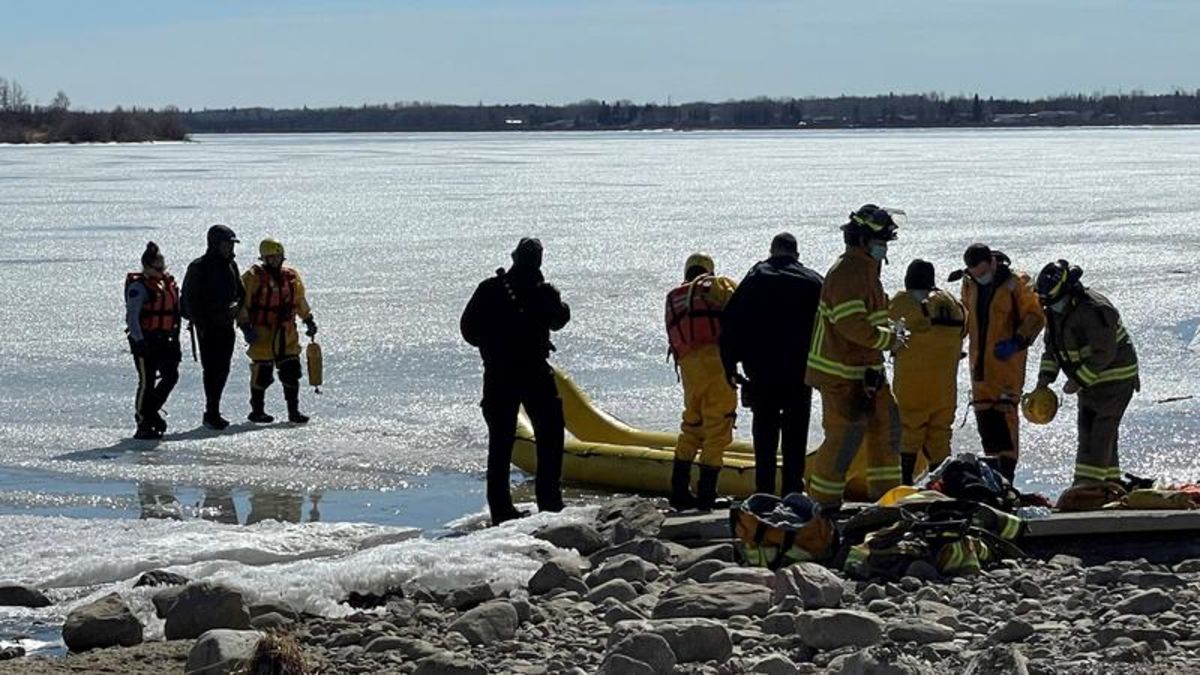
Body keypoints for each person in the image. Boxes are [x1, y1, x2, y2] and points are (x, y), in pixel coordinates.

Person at [461, 238, 570, 525]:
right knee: (550, 436)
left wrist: (492, 346)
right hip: (534, 372)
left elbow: (468, 329)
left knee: (500, 444)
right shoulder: (543, 292)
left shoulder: (490, 288)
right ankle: (549, 500)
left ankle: (501, 509)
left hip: (499, 374)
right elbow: (560, 320)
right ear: (539, 261)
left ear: (514, 258)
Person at [806, 205, 907, 511]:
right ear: (863, 240)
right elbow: (852, 326)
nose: (884, 247)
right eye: (881, 241)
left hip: (867, 372)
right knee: (844, 438)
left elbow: (868, 319)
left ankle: (886, 501)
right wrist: (889, 339)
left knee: (887, 429)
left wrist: (889, 332)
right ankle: (822, 507)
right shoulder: (848, 273)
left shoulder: (865, 270)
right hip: (842, 375)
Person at [720, 233, 824, 496]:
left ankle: (764, 492)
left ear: (771, 252)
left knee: (764, 437)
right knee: (795, 436)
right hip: (800, 373)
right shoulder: (813, 281)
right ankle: (793, 491)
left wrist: (729, 365)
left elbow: (730, 321)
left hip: (762, 372)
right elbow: (829, 326)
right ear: (796, 254)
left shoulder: (756, 278)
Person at [1034, 260, 1139, 486]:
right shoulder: (1055, 312)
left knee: (1099, 433)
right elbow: (1053, 350)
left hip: (1115, 379)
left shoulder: (1094, 309)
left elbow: (1104, 351)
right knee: (1090, 432)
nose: (1050, 306)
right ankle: (1109, 485)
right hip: (1090, 383)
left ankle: (1087, 488)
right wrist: (1044, 381)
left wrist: (1078, 379)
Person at [955, 244, 1045, 481]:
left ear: (993, 263)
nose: (980, 277)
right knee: (986, 423)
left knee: (1005, 424)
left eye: (983, 273)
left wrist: (1018, 341)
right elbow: (965, 317)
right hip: (980, 369)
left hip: (1007, 367)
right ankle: (994, 477)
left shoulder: (1016, 284)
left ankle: (1008, 477)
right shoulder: (969, 284)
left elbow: (1035, 316)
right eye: (976, 274)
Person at [665, 252, 739, 510]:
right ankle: (707, 493)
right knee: (718, 428)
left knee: (692, 425)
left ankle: (679, 490)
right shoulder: (715, 285)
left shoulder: (674, 297)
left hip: (689, 371)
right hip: (716, 365)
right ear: (708, 269)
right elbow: (739, 304)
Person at [888, 259, 967, 484]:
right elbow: (964, 331)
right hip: (945, 390)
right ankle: (943, 487)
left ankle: (905, 484)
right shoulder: (953, 304)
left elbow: (883, 332)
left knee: (908, 434)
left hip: (912, 385)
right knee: (940, 437)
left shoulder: (902, 303)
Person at [237, 237, 317, 424]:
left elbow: (299, 301)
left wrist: (308, 320)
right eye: (268, 258)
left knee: (291, 372)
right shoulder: (252, 278)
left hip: (286, 333)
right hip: (262, 334)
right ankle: (257, 410)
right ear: (263, 258)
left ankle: (293, 411)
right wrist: (245, 327)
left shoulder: (291, 277)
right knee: (262, 373)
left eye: (276, 257)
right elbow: (243, 305)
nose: (272, 261)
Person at [181, 224, 244, 430]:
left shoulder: (232, 266)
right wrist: (202, 322)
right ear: (215, 244)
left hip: (226, 326)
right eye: (226, 244)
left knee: (223, 369)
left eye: (231, 244)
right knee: (212, 370)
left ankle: (214, 409)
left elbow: (241, 293)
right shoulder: (199, 267)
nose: (229, 248)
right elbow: (189, 301)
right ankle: (211, 411)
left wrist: (236, 309)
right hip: (207, 329)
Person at [125, 242, 182, 439]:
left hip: (165, 340)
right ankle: (143, 421)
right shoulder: (139, 288)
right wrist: (139, 342)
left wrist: (175, 340)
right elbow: (132, 317)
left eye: (162, 265)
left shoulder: (169, 284)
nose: (161, 269)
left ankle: (150, 411)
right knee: (146, 382)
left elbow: (176, 314)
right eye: (156, 266)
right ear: (146, 267)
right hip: (146, 341)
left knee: (171, 377)